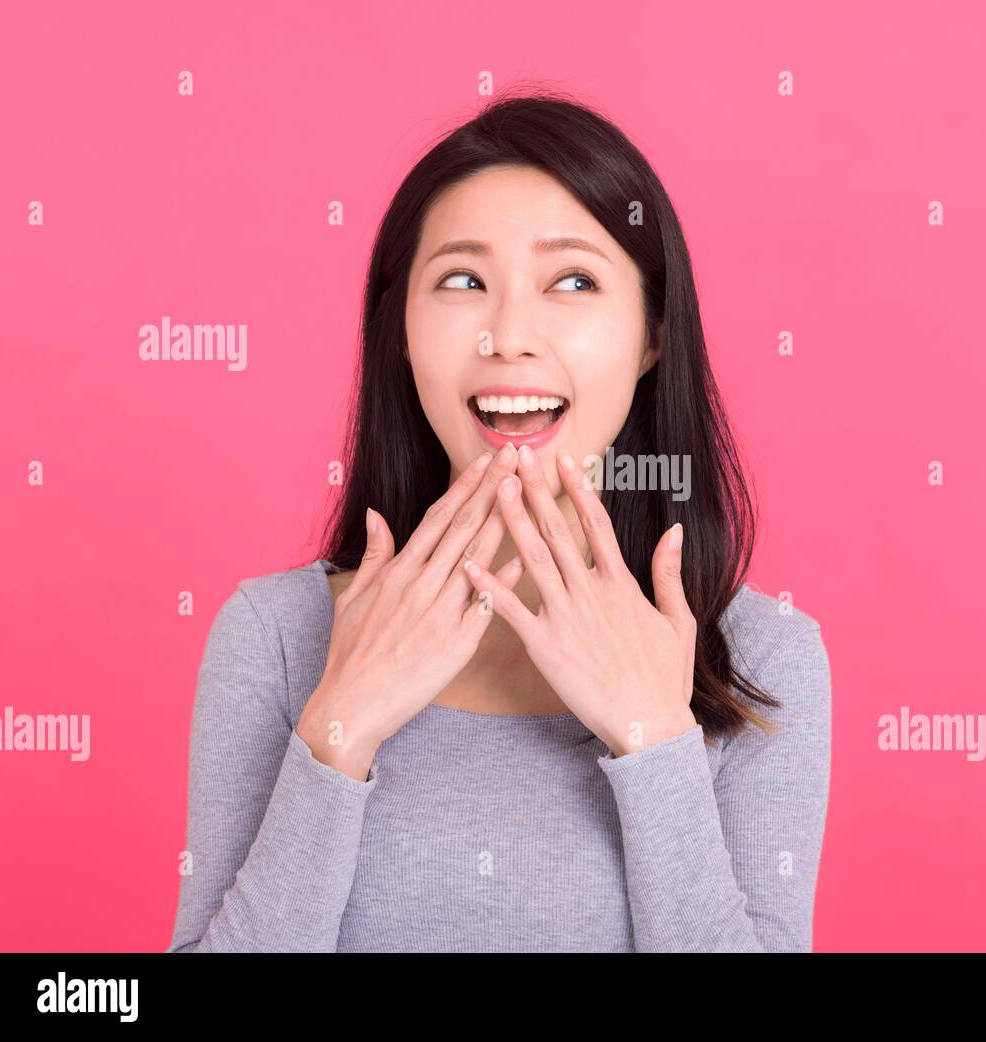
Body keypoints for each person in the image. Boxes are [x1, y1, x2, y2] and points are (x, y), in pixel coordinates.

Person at [166, 88, 831, 953]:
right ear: (399, 327)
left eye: (574, 281)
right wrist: (341, 728)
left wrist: (655, 741)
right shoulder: (280, 636)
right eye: (464, 280)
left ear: (652, 335)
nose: (510, 335)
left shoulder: (763, 657)